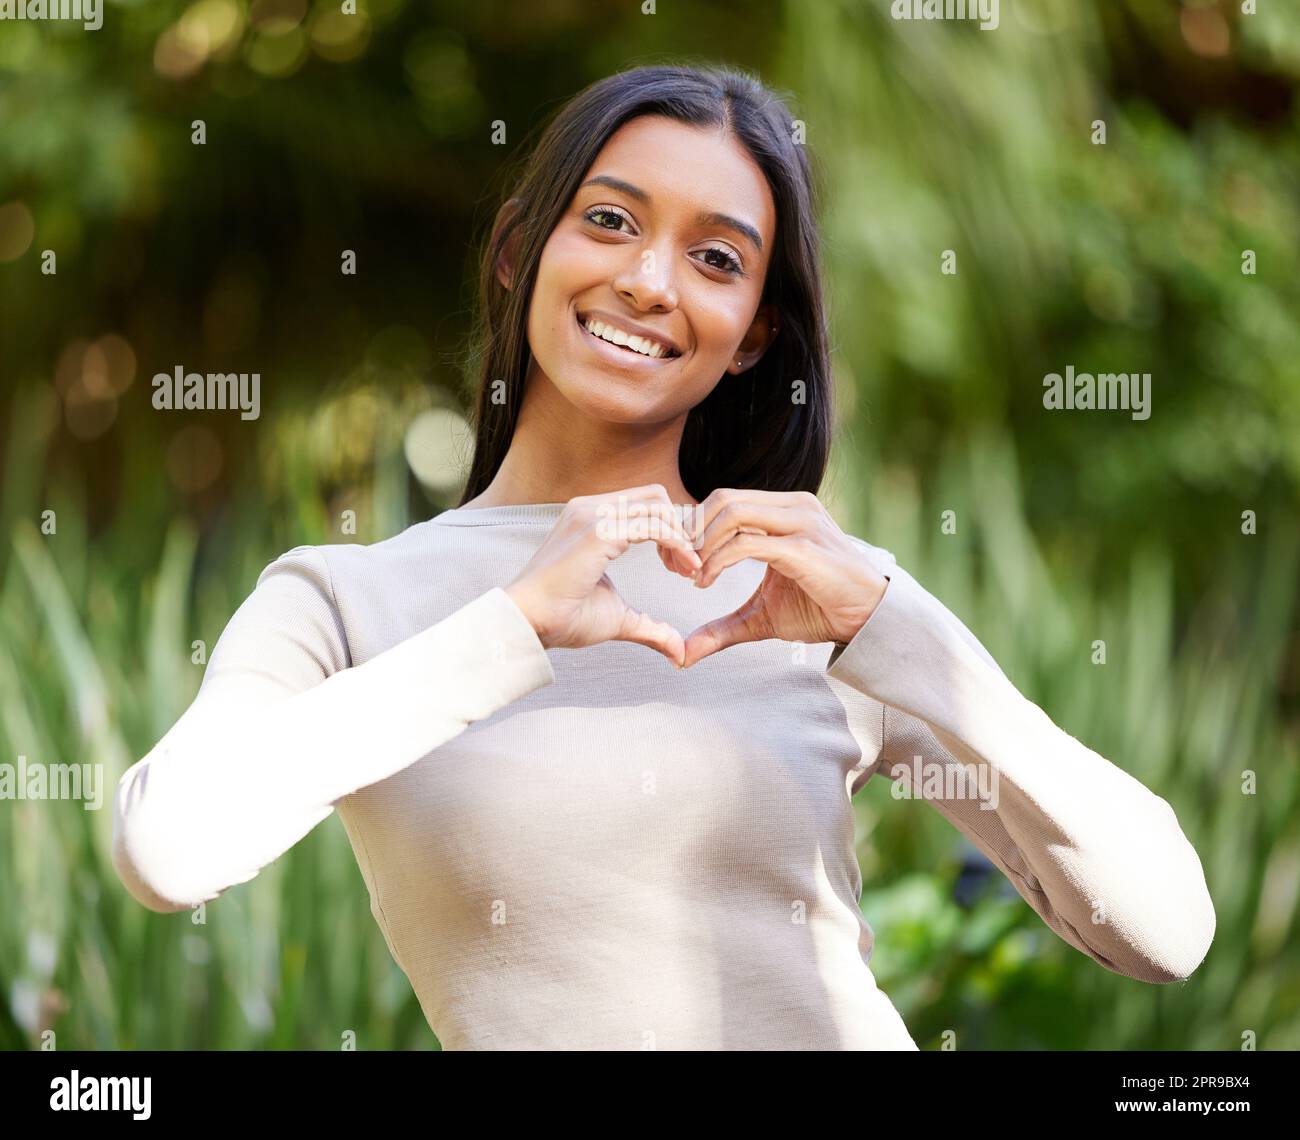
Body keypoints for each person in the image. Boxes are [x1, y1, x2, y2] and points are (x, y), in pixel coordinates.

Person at [111, 63, 1216, 1050]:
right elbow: (168, 850)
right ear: (516, 253)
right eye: (608, 220)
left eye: (716, 258)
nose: (649, 281)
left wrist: (897, 627)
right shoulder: (346, 600)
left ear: (752, 337)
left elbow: (1165, 933)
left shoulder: (806, 595)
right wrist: (511, 628)